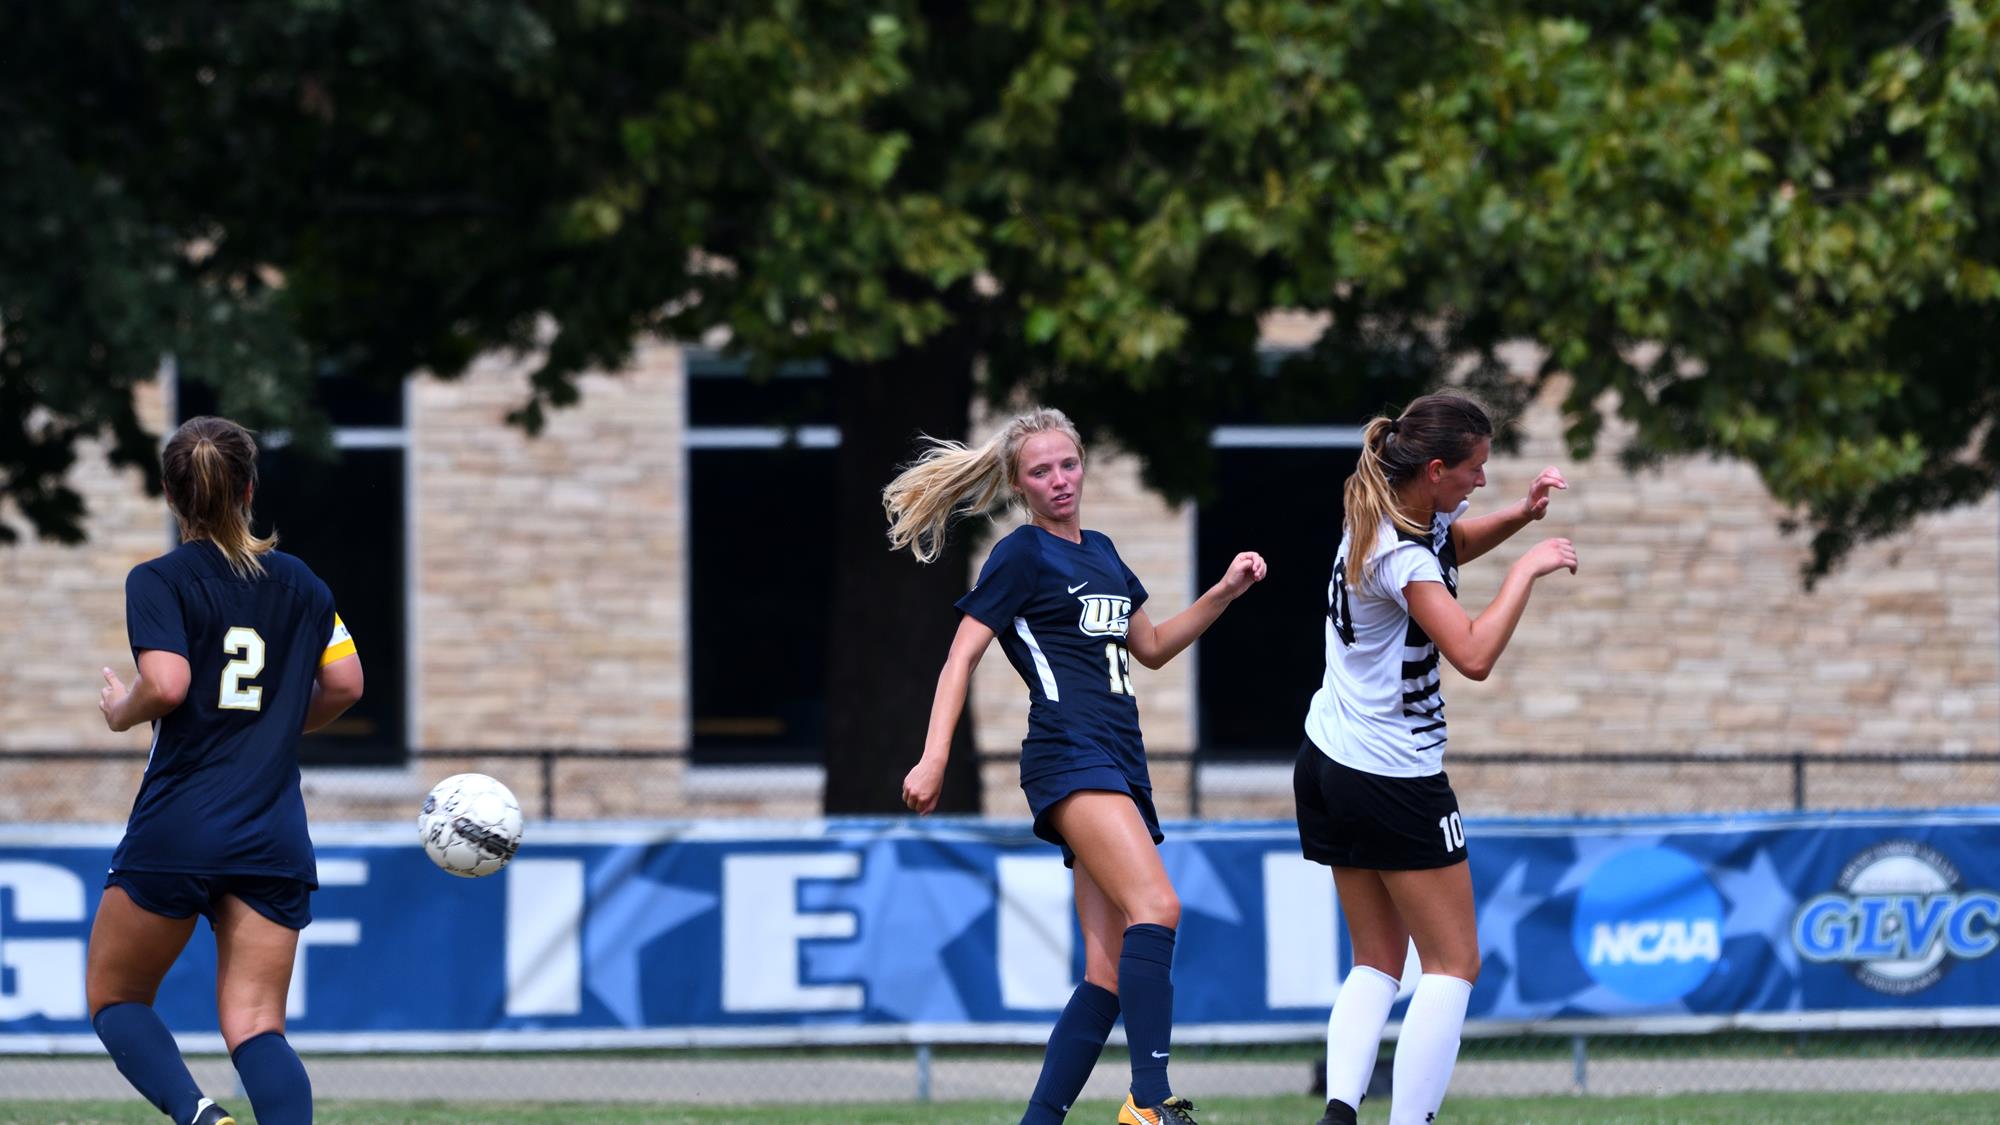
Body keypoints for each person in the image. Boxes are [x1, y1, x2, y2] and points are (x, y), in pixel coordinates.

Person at [887, 407, 1265, 1125]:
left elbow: (1149, 648)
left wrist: (1222, 592)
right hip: (1069, 752)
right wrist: (934, 755)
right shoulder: (1022, 553)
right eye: (1040, 471)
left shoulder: (1102, 550)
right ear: (1019, 484)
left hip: (1118, 755)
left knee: (1106, 970)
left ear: (1081, 464)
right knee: (1158, 906)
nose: (1058, 479)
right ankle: (1150, 1102)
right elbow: (961, 654)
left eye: (1066, 464)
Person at [1296, 394, 1574, 1125]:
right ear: (1437, 467)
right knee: (1454, 965)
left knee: (1377, 959)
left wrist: (1519, 516)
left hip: (1327, 760)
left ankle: (1338, 1113)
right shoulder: (1401, 550)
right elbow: (1474, 654)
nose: (1481, 481)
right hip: (1391, 775)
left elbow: (1447, 548)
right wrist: (1529, 569)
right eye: (1476, 470)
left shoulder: (1384, 517)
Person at [88, 416, 364, 1125]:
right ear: (248, 486)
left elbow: (170, 683)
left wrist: (122, 710)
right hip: (272, 833)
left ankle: (201, 1116)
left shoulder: (158, 580)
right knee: (256, 1025)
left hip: (180, 824)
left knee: (116, 997)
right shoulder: (303, 583)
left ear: (173, 496)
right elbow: (347, 684)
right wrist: (267, 729)